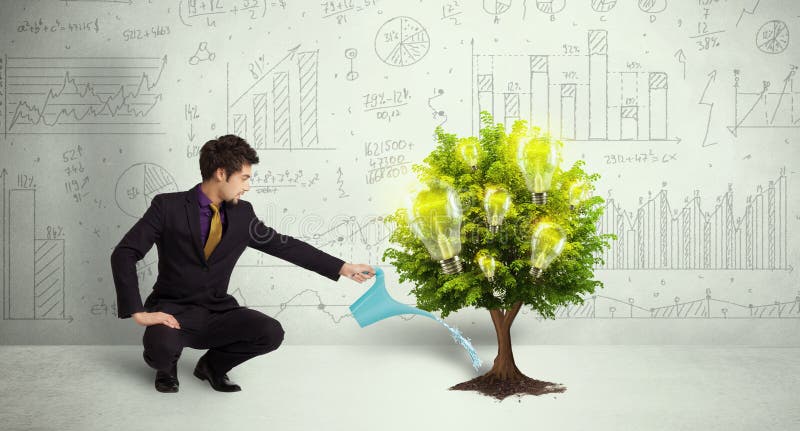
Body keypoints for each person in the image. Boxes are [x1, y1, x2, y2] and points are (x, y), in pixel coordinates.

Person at [110, 135, 375, 393]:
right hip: (172, 311)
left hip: (216, 311)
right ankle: (167, 368)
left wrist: (343, 267)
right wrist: (139, 312)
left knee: (270, 332)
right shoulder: (167, 206)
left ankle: (211, 367)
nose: (247, 186)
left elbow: (284, 245)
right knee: (160, 352)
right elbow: (125, 253)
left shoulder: (243, 214)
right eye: (244, 178)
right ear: (222, 173)